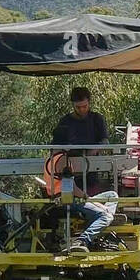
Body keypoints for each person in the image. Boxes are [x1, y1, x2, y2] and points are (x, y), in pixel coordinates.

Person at [46, 86, 118, 254]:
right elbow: (69, 187)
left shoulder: (96, 119)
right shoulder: (62, 157)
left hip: (91, 179)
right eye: (78, 107)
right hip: (72, 195)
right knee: (105, 215)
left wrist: (95, 149)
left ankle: (100, 216)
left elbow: (105, 141)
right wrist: (84, 196)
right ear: (73, 105)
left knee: (113, 196)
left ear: (89, 103)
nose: (82, 110)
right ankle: (86, 235)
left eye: (85, 106)